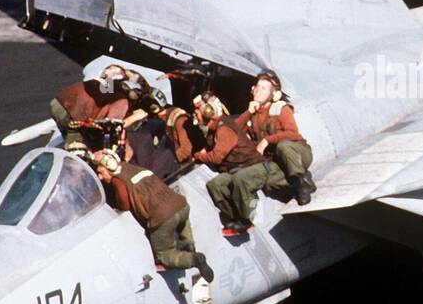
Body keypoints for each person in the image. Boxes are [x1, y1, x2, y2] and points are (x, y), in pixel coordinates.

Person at [90, 149, 213, 283]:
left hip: (163, 217)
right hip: (181, 205)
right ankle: (189, 246)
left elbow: (124, 205)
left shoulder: (118, 181)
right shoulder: (131, 168)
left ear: (110, 167)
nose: (101, 178)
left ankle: (194, 259)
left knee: (164, 255)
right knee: (182, 224)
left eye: (100, 172)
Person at [194, 94, 282, 237]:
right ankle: (235, 217)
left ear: (207, 112)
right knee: (215, 184)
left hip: (254, 167)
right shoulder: (213, 130)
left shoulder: (224, 129)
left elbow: (216, 157)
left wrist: (199, 156)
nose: (195, 115)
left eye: (197, 111)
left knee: (240, 180)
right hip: (236, 170)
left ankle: (247, 217)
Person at [244, 71, 317, 205]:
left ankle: (301, 185)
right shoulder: (253, 114)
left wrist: (267, 140)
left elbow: (293, 133)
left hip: (298, 155)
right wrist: (248, 112)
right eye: (257, 87)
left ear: (274, 94)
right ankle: (301, 181)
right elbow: (237, 134)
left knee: (283, 145)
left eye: (264, 89)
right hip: (278, 161)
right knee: (265, 179)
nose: (258, 91)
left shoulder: (280, 109)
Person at [50, 64, 133, 148]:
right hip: (72, 112)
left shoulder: (105, 85)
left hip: (58, 103)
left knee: (72, 138)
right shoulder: (121, 100)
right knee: (82, 147)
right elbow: (112, 124)